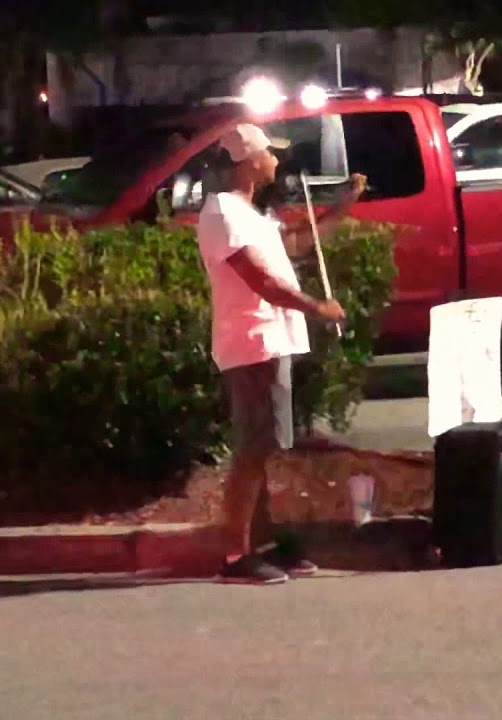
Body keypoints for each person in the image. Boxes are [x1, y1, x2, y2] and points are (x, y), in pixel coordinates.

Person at [195, 123, 366, 584]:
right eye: (271, 154)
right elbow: (263, 283)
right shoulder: (224, 214)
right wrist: (318, 308)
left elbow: (295, 245)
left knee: (267, 447)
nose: (277, 160)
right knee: (253, 450)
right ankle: (235, 557)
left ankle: (265, 542)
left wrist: (341, 207)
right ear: (250, 161)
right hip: (252, 343)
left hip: (271, 342)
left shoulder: (250, 213)